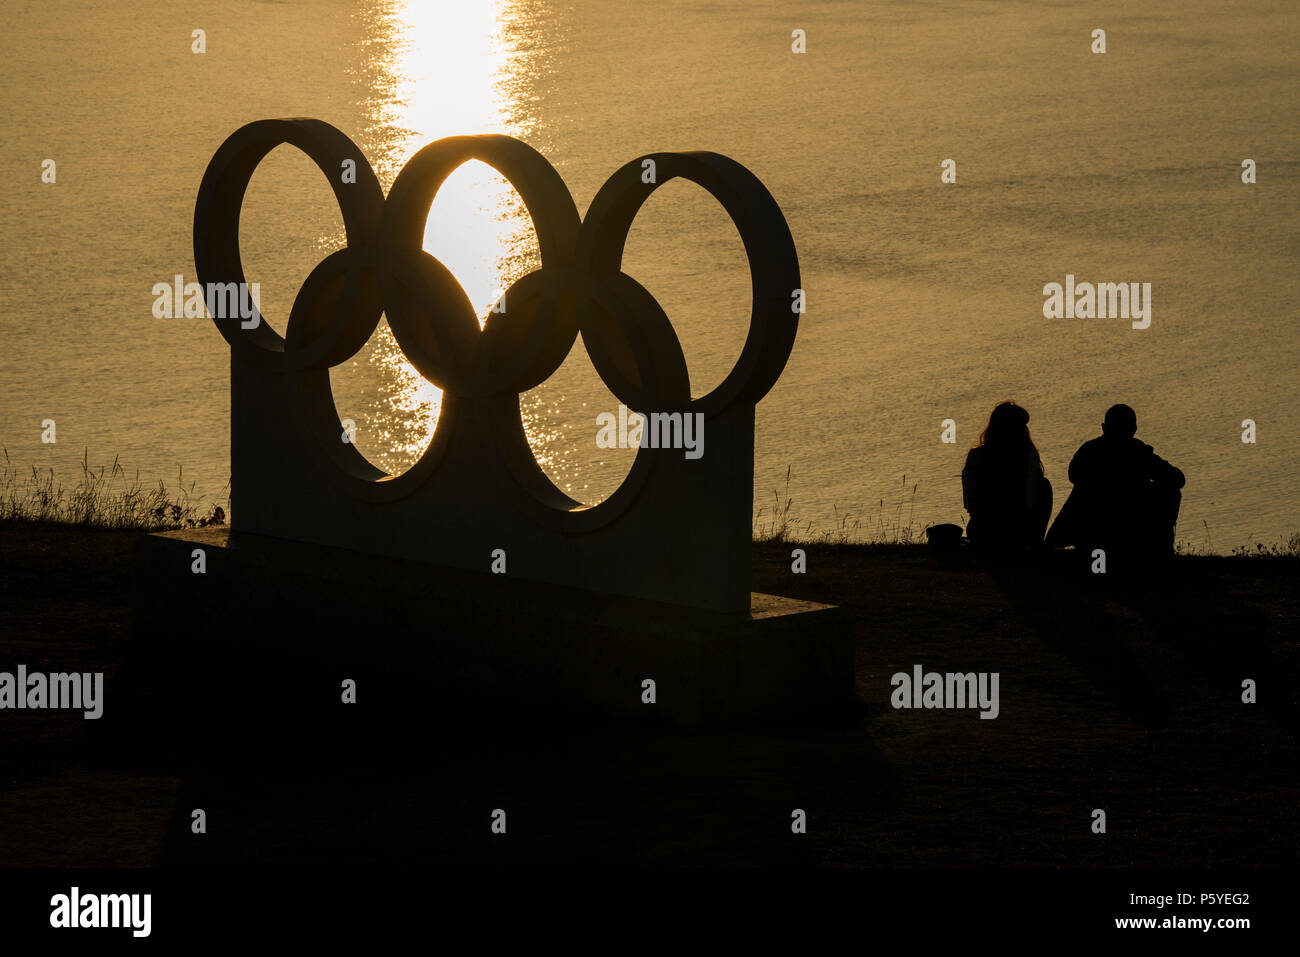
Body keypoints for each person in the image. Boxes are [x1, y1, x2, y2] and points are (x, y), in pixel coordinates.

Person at [1045, 403, 1184, 559]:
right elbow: (1177, 478)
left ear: (1104, 427)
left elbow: (1073, 476)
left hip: (1090, 526)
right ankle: (1158, 548)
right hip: (1129, 523)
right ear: (1134, 430)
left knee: (1082, 491)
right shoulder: (1139, 452)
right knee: (1171, 492)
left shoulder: (1089, 450)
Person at [962, 402, 1053, 554]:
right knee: (1044, 486)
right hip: (1016, 533)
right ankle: (1034, 544)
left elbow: (969, 503)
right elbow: (1031, 501)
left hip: (980, 532)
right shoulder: (1027, 455)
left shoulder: (976, 455)